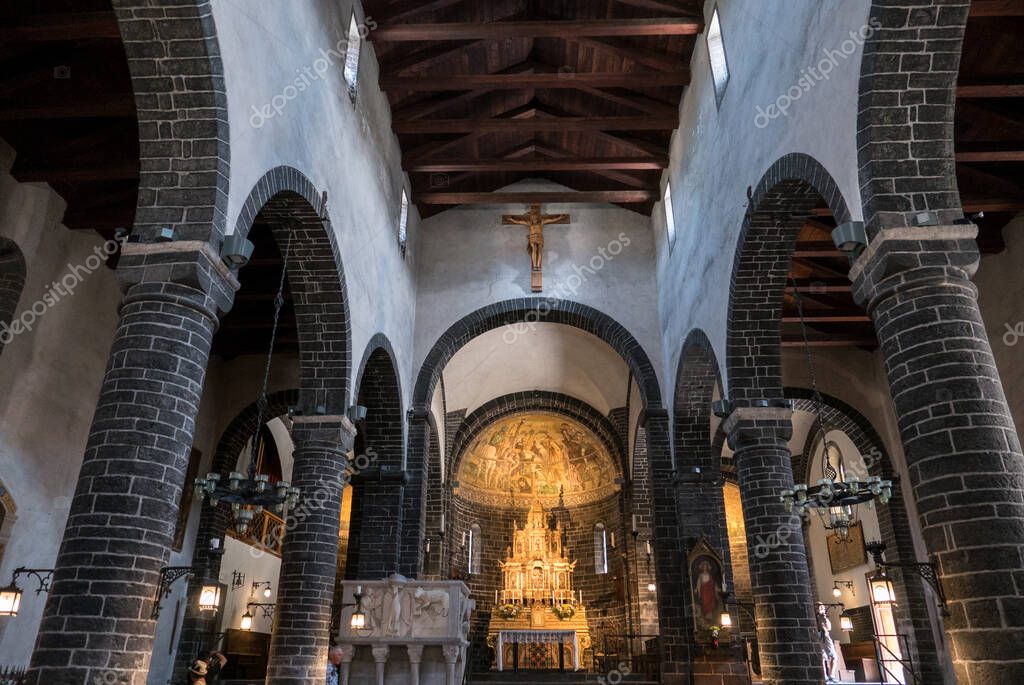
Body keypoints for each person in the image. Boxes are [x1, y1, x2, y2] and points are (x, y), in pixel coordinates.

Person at [816, 603, 837, 682]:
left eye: (823, 608)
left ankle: (830, 676)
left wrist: (824, 617)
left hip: (823, 636)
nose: (823, 609)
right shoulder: (818, 617)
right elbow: (826, 627)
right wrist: (823, 617)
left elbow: (829, 627)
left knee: (832, 657)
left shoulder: (823, 616)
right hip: (822, 637)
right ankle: (827, 676)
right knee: (826, 657)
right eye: (820, 608)